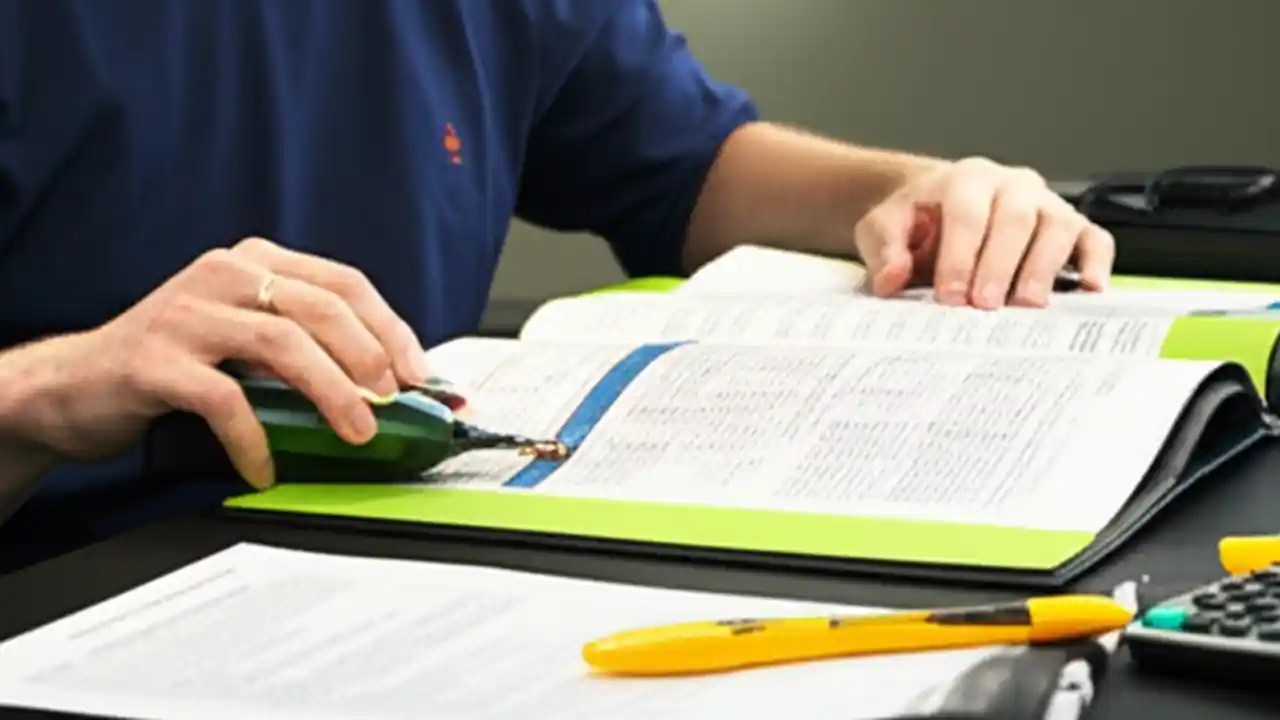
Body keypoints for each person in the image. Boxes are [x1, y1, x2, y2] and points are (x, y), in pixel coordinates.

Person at [0, 0, 1114, 571]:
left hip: (403, 567)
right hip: (70, 591)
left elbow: (684, 169)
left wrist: (913, 190)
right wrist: (50, 388)